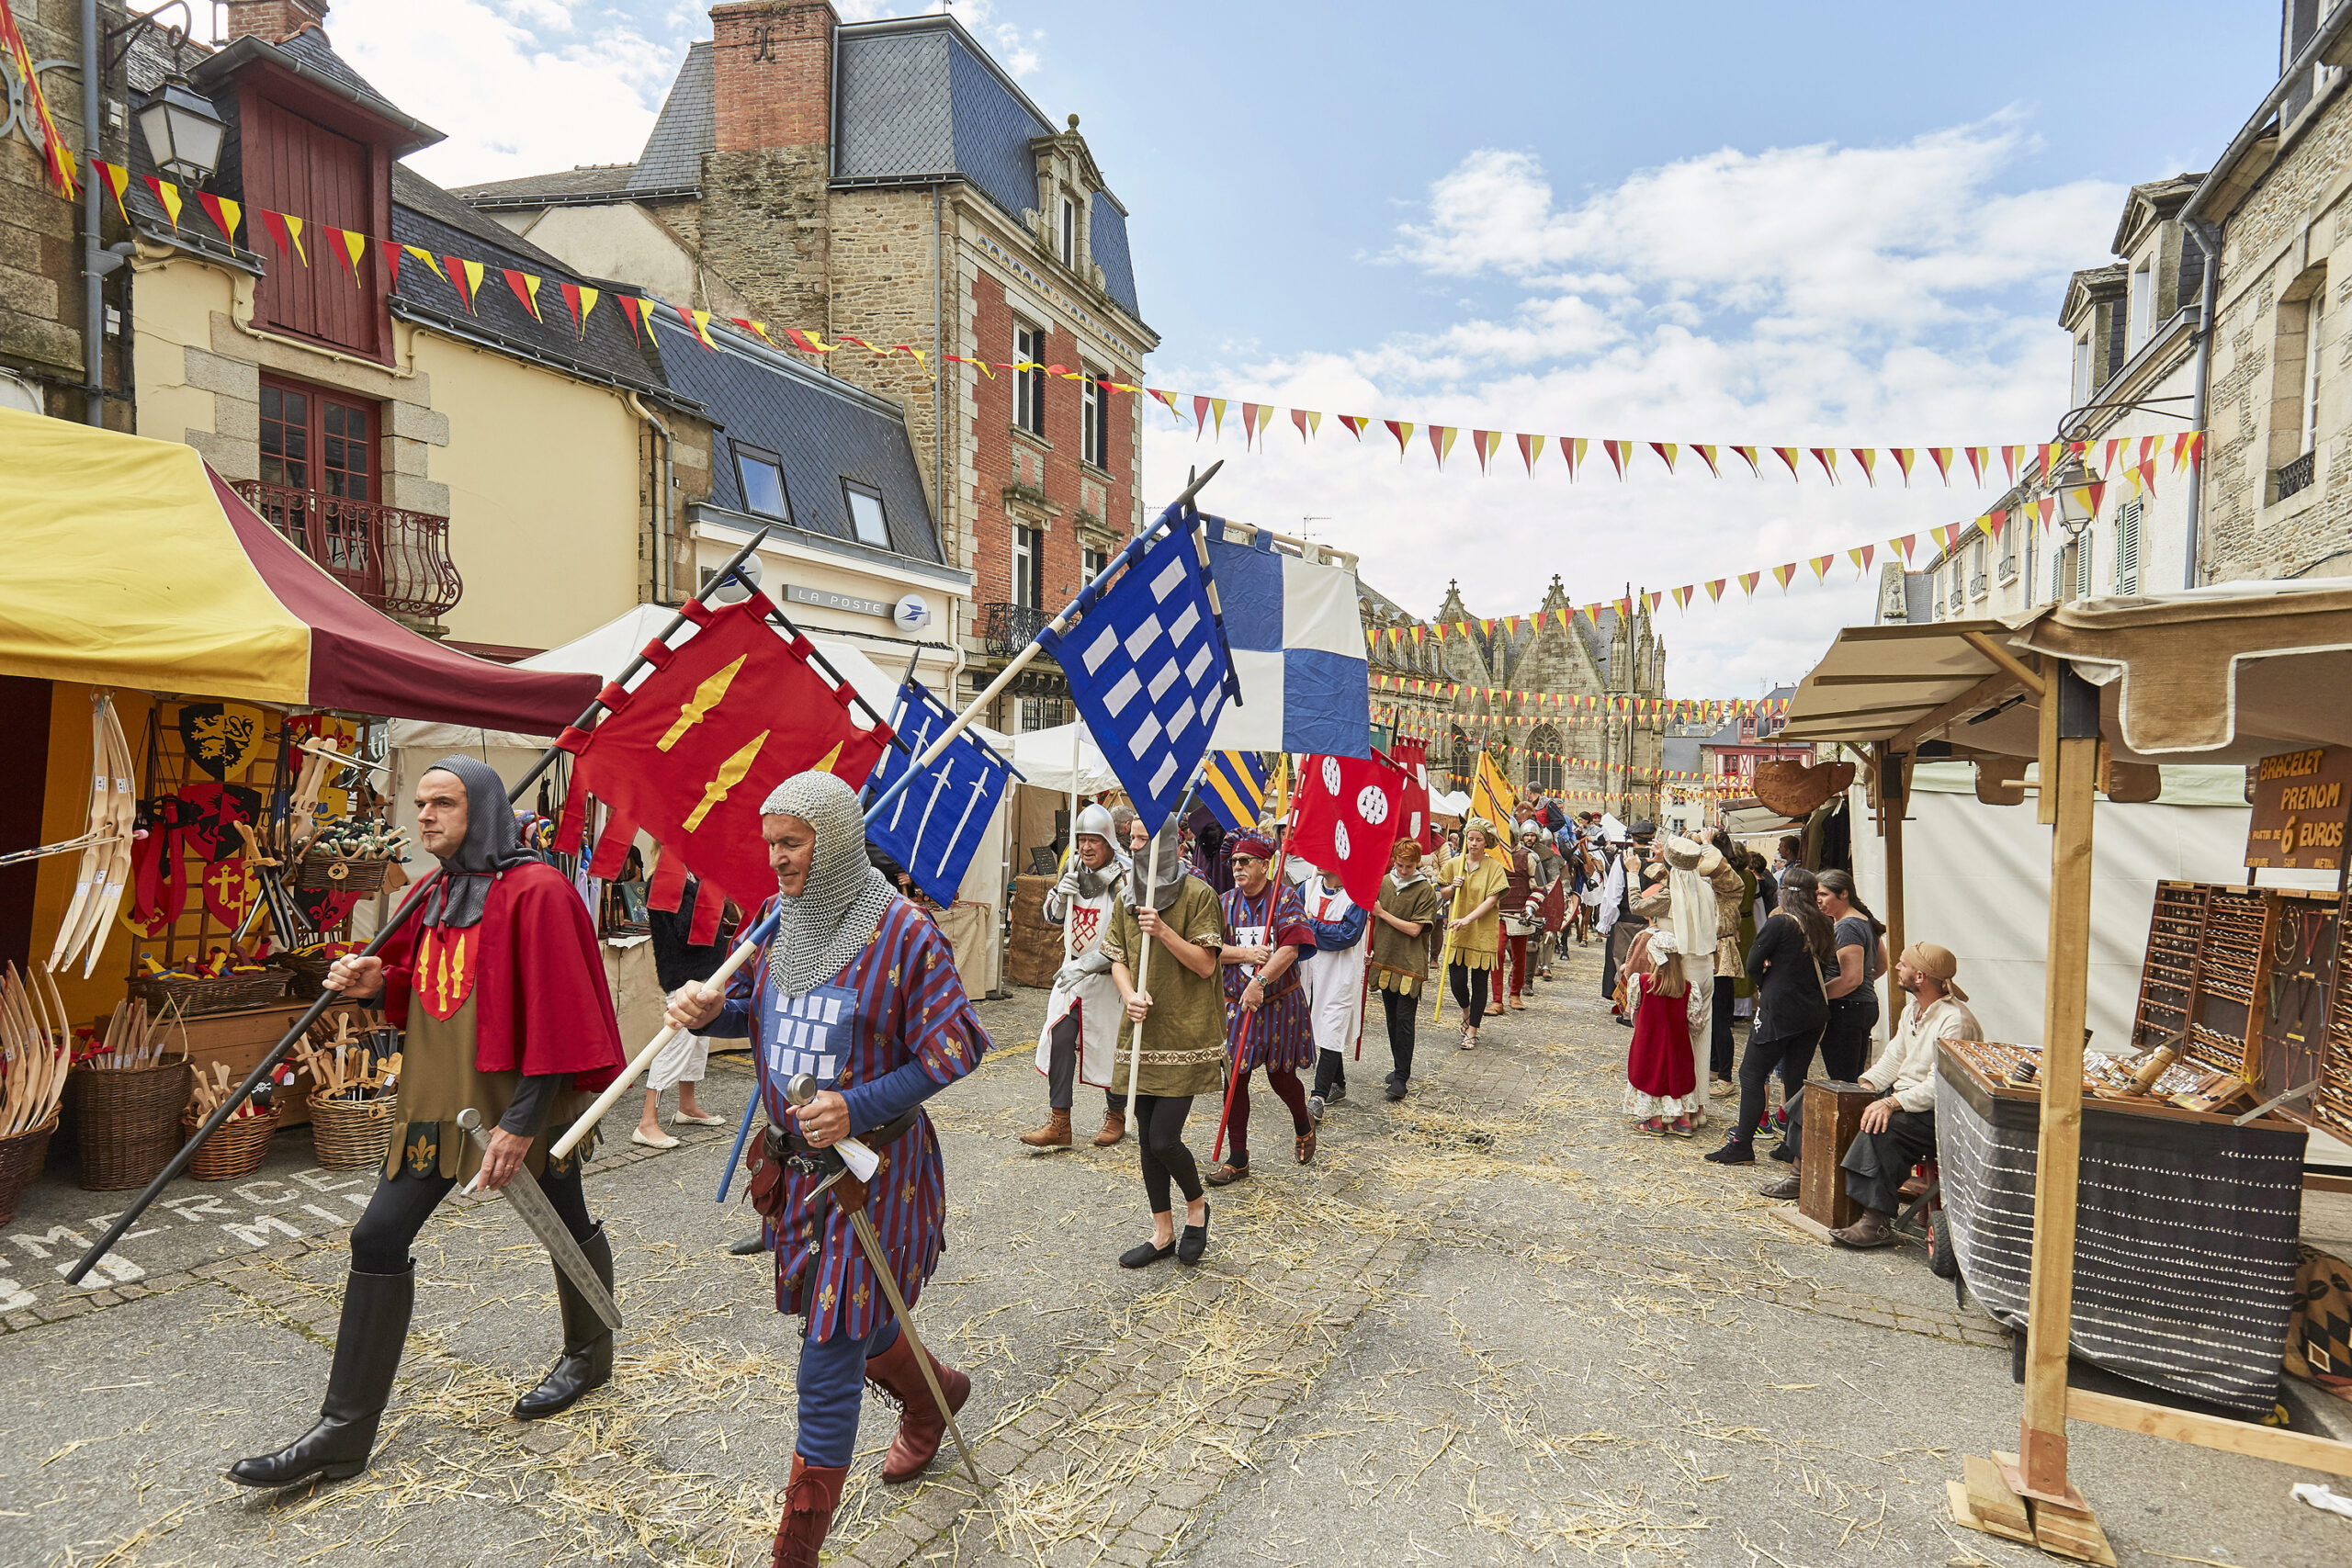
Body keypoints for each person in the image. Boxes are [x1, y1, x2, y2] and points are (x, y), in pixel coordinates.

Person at [229, 757, 628, 1491]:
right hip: (435, 1102)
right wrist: (379, 980)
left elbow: (561, 1015)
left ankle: (589, 1353)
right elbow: (429, 990)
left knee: (561, 1223)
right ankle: (342, 1433)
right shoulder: (432, 893)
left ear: (480, 809)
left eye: (443, 802)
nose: (425, 815)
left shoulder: (540, 890)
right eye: (420, 803)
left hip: (521, 1104)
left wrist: (520, 1123)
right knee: (376, 1235)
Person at [662, 771, 989, 1566]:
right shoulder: (779, 920)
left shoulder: (905, 930)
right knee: (854, 1317)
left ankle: (794, 1555)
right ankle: (932, 1392)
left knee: (827, 1354)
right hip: (798, 1175)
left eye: (792, 842)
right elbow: (773, 1015)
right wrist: (718, 1012)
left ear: (835, 838)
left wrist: (860, 1102)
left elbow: (958, 1045)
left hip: (874, 1175)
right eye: (770, 842)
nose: (776, 858)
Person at [1102, 813, 1226, 1266]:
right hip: (1142, 1031)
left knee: (1162, 1139)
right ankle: (1162, 1232)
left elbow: (1206, 965)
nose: (1134, 847)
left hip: (1187, 1032)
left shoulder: (1199, 895)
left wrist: (1164, 930)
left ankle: (1197, 1209)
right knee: (1144, 1140)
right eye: (1132, 839)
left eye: (1143, 840)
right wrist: (1129, 993)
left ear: (1170, 843)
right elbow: (1117, 957)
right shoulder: (1125, 895)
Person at [1827, 944, 1978, 1247]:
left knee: (1883, 1129)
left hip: (1939, 1113)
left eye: (1903, 964)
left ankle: (1876, 1222)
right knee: (1830, 1102)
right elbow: (1894, 1058)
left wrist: (1892, 1103)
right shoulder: (1912, 1010)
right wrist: (1864, 1089)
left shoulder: (1955, 1021)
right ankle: (1804, 1181)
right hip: (1908, 1100)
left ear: (1920, 976)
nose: (1896, 967)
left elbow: (1942, 1084)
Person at [1205, 830, 1318, 1184]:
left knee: (1280, 1077)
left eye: (1245, 861)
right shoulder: (1223, 904)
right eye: (1234, 862)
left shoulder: (1284, 899)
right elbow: (1208, 949)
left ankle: (1303, 1124)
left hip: (1279, 1004)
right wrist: (1245, 956)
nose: (1237, 867)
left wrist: (1260, 981)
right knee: (1234, 1077)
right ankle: (1237, 1158)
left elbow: (1291, 947)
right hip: (1236, 1005)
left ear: (1265, 865)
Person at [1705, 866, 1834, 1165]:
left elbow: (1753, 962)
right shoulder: (1824, 923)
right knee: (1795, 1078)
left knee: (1751, 1074)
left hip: (1780, 1010)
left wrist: (1767, 985)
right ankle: (1793, 1144)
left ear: (1784, 892)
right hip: (1812, 1011)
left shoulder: (1781, 923)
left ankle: (1741, 1145)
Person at [1023, 803, 1130, 1150]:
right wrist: (1059, 896)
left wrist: (1092, 963)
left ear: (1108, 841)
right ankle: (1060, 1122)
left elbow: (1128, 937)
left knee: (1110, 1045)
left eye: (1093, 840)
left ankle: (1115, 1115)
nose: (1085, 847)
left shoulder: (1123, 876)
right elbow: (1054, 917)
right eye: (1081, 839)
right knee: (1060, 1037)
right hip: (1071, 975)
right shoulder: (1072, 866)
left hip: (1109, 976)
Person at [637, 867, 734, 1149]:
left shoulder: (693, 874)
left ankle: (687, 1106)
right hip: (683, 972)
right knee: (675, 1043)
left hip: (702, 969)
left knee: (697, 1043)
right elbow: (682, 930)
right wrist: (716, 899)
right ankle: (647, 1122)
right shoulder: (667, 877)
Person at [1657, 837, 1721, 1128]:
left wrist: (1633, 874)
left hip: (1681, 970)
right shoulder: (1706, 889)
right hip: (1706, 967)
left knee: (1677, 1042)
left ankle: (1682, 1109)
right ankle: (1698, 1108)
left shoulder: (1669, 894)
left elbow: (1636, 906)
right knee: (1701, 1039)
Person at [1368, 838, 1440, 1100]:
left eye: (1408, 866)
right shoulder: (1385, 882)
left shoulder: (1424, 890)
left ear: (1416, 864)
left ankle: (1401, 1077)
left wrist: (1382, 913)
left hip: (1409, 963)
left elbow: (1414, 929)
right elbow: (1370, 922)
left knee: (1405, 1021)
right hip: (1385, 958)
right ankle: (1398, 1066)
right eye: (1399, 865)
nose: (1403, 870)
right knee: (1391, 1019)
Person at [1301, 861, 1371, 1122]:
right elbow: (1294, 922)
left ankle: (1317, 1096)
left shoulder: (1357, 895)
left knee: (1330, 1026)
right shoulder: (1307, 888)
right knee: (1317, 1025)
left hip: (1340, 972)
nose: (1317, 861)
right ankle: (1338, 1084)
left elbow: (1347, 935)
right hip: (1309, 969)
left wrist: (1311, 928)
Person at [1438, 819, 1510, 1050]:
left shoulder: (1494, 868)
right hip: (1457, 932)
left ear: (1486, 842)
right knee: (1457, 981)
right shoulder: (1455, 864)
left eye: (1479, 840)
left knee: (1479, 982)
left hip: (1482, 931)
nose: (1474, 843)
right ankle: (1466, 1012)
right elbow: (1443, 893)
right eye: (1470, 839)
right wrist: (1452, 887)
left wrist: (1468, 919)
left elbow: (1492, 900)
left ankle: (1472, 1031)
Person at [1813, 869, 1887, 1085]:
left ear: (1843, 894)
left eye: (1824, 894)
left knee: (1842, 1082)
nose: (1819, 900)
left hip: (1847, 1009)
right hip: (1862, 1006)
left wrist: (1818, 995)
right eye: (1817, 895)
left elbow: (1851, 979)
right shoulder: (1865, 920)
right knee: (1852, 1078)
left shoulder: (1847, 926)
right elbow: (1881, 965)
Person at [1622, 928, 1699, 1135]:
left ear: (1655, 957)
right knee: (1677, 1076)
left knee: (1650, 1074)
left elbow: (1633, 1006)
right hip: (1677, 1044)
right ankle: (1683, 1121)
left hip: (1649, 1043)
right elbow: (1695, 1022)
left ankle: (1654, 1121)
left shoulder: (1642, 982)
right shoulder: (1688, 988)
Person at [1705, 829, 1749, 1099]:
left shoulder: (1731, 881)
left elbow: (1717, 872)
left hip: (1721, 951)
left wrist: (1708, 845)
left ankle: (1725, 1076)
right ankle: (1713, 1067)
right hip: (1708, 951)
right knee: (1709, 1016)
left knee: (1721, 1018)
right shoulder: (1713, 879)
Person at [1498, 824, 1549, 1010]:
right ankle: (1497, 1000)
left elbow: (1540, 887)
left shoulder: (1529, 856)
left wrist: (1529, 907)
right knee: (1496, 954)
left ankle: (1514, 994)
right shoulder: (1493, 856)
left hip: (1520, 913)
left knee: (1519, 957)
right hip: (1496, 914)